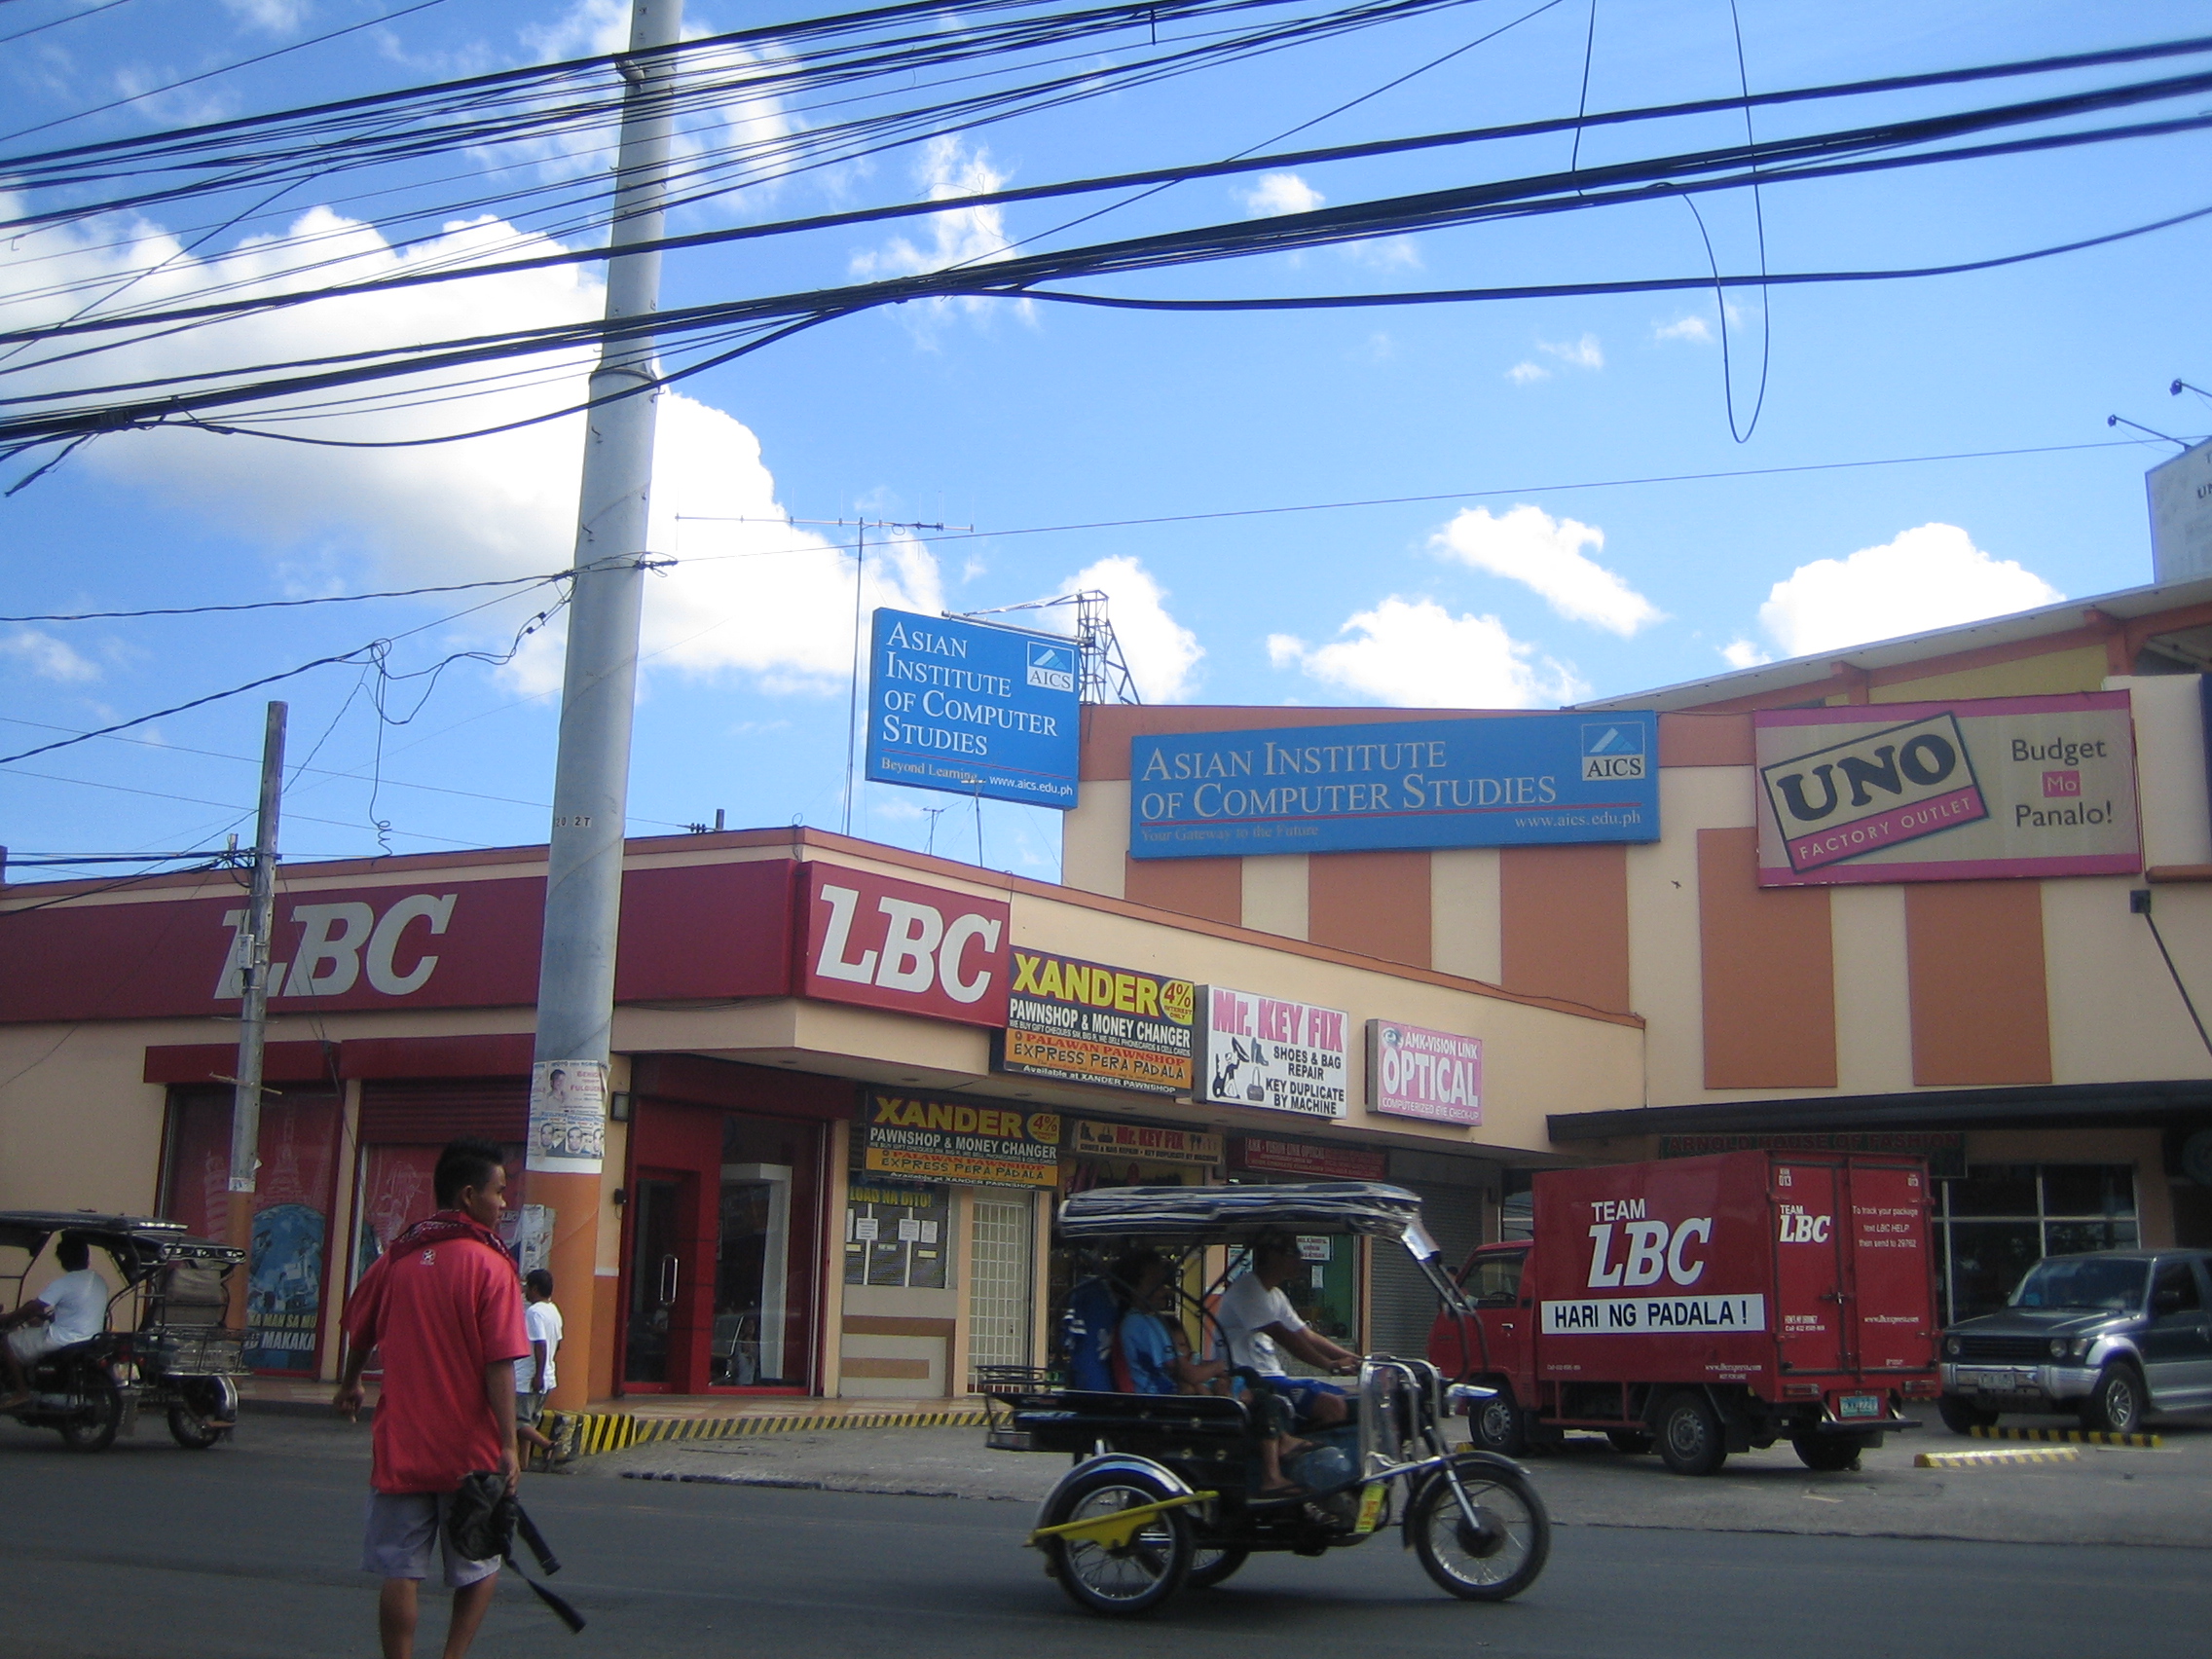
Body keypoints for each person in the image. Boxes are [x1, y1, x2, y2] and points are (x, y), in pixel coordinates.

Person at [334, 1138, 529, 1659]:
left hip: (402, 1446)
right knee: (479, 1565)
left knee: (401, 1571)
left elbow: (359, 1330)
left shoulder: (397, 1256)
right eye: (499, 1192)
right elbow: (499, 1364)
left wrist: (351, 1383)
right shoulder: (492, 1267)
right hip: (469, 1452)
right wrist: (509, 1443)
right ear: (469, 1196)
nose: (504, 1203)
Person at [1216, 1233, 1360, 1430]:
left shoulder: (1275, 1295)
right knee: (1332, 1406)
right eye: (1293, 1252)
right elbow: (1284, 1336)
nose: (1299, 1259)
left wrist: (1356, 1359)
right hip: (1251, 1380)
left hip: (1274, 1376)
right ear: (1272, 1255)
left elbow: (1306, 1334)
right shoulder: (1247, 1289)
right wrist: (1331, 1365)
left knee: (1354, 1400)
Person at [0, 1234, 108, 1409]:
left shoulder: (65, 1282)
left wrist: (8, 1317)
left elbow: (35, 1307)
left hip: (62, 1338)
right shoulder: (98, 1280)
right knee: (34, 1329)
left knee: (6, 1342)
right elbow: (77, 1309)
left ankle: (21, 1393)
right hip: (88, 1336)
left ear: (65, 1258)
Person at [514, 1269, 563, 1458]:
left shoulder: (534, 1312)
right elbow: (557, 1344)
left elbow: (540, 1344)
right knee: (529, 1422)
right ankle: (523, 1462)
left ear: (534, 1288)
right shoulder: (553, 1310)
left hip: (528, 1378)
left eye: (527, 1286)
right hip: (548, 1377)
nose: (525, 1290)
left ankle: (548, 1444)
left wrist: (537, 1375)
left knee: (516, 1422)